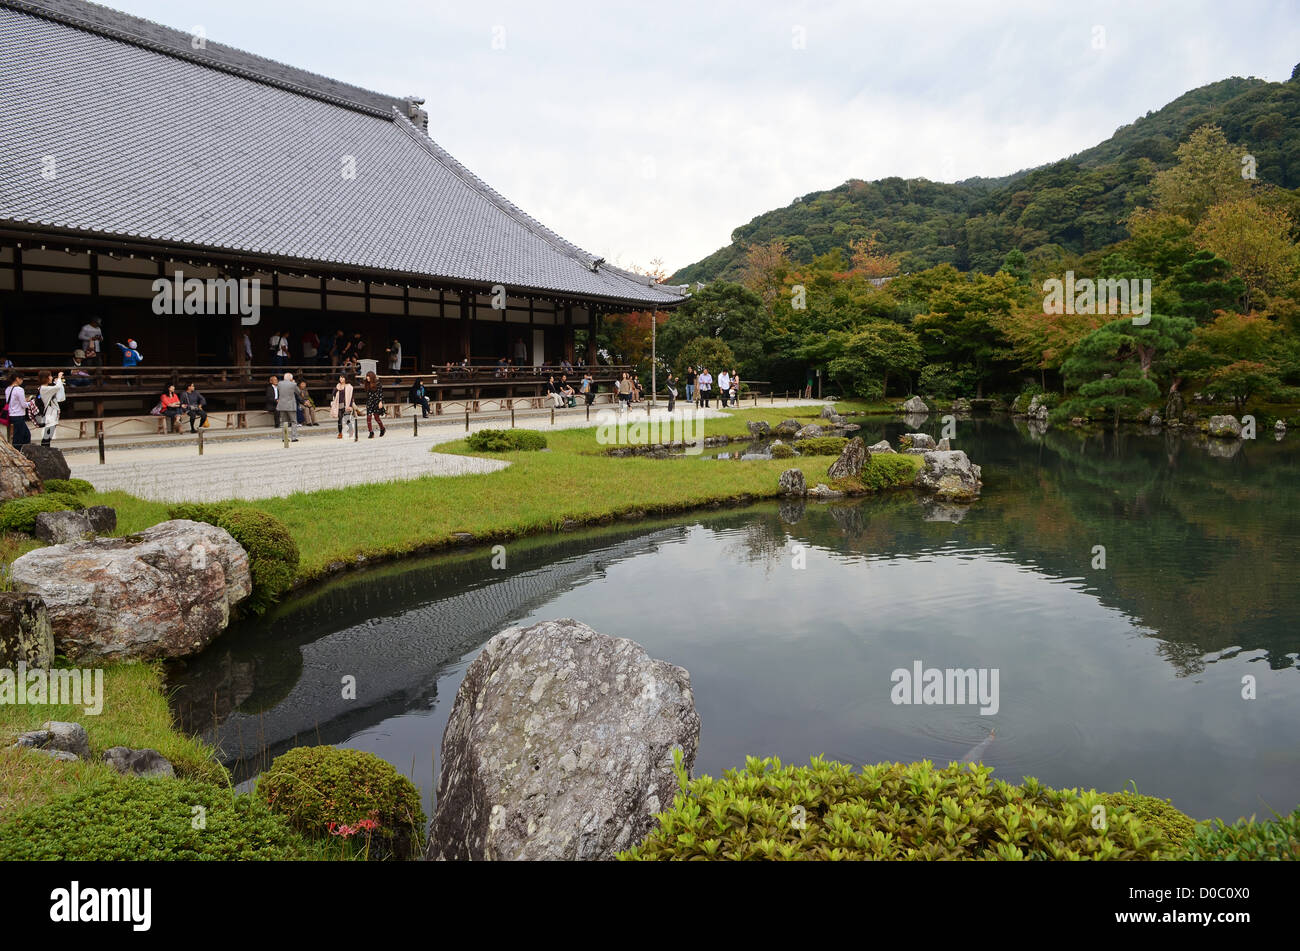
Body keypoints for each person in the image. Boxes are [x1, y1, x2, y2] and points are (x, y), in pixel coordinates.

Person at [37, 371, 66, 447]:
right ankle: (44, 452)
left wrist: (58, 382)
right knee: (47, 437)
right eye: (50, 376)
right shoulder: (43, 388)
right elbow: (57, 387)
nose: (51, 377)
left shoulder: (46, 388)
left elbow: (58, 392)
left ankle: (45, 452)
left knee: (48, 436)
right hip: (49, 416)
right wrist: (59, 377)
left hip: (51, 415)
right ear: (45, 378)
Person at [4, 373, 31, 447]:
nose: (22, 381)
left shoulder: (8, 389)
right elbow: (23, 405)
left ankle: (21, 452)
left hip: (12, 414)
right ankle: (19, 453)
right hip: (18, 415)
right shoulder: (19, 389)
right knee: (22, 437)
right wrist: (31, 403)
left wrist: (25, 400)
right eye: (21, 379)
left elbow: (13, 401)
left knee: (23, 435)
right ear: (17, 379)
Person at [276, 372, 300, 441]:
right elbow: (298, 392)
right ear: (291, 378)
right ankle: (294, 437)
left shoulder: (279, 384)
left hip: (282, 405)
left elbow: (278, 390)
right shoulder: (293, 384)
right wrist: (294, 383)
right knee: (293, 421)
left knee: (284, 422)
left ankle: (285, 437)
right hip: (290, 405)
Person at [330, 375, 355, 439]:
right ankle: (340, 433)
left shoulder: (349, 387)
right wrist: (336, 390)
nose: (341, 378)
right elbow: (333, 395)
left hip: (346, 405)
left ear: (345, 378)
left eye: (343, 377)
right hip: (339, 405)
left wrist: (350, 405)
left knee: (347, 419)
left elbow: (351, 397)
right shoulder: (337, 386)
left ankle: (351, 430)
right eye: (340, 377)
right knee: (339, 419)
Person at [363, 371, 386, 437]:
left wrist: (380, 402)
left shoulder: (378, 384)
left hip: (376, 402)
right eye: (367, 376)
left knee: (376, 417)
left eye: (368, 376)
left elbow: (380, 394)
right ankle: (371, 432)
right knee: (368, 417)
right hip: (369, 402)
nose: (367, 378)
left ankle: (382, 428)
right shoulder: (367, 384)